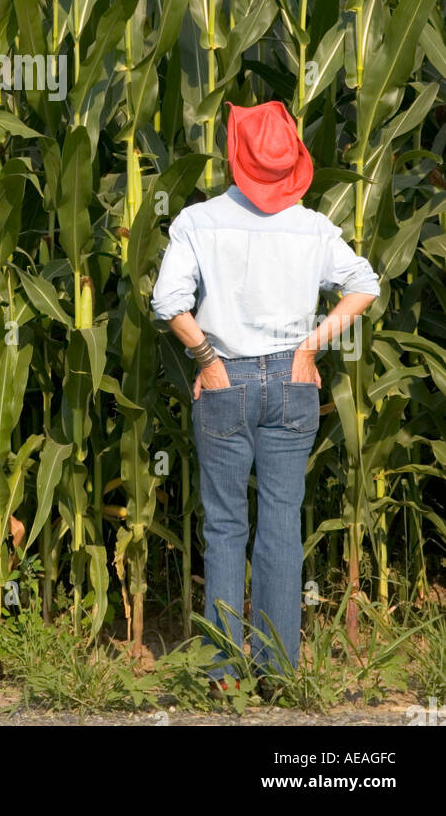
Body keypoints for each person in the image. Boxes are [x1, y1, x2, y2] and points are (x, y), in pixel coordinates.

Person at [150, 100, 380, 684]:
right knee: (282, 518)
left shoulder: (198, 221)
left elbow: (167, 302)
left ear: (234, 156)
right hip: (293, 380)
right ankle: (277, 670)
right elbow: (364, 285)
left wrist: (203, 358)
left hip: (224, 380)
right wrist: (311, 346)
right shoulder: (312, 226)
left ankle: (222, 671)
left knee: (225, 524)